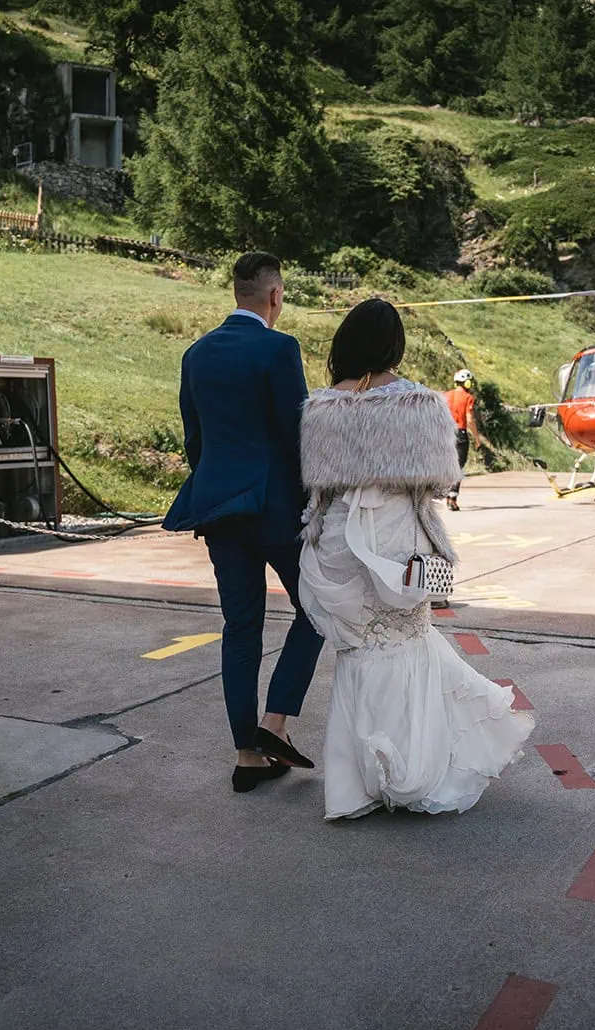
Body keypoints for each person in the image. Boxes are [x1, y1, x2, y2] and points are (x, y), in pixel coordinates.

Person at [298, 299, 535, 820]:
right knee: (406, 641)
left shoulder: (320, 407)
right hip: (397, 540)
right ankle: (412, 768)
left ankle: (360, 782)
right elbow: (443, 480)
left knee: (359, 650)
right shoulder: (417, 404)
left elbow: (316, 485)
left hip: (339, 543)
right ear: (394, 346)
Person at [162, 252, 325, 794]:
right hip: (275, 508)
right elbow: (298, 432)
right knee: (317, 609)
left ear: (236, 294)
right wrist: (314, 501)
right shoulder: (279, 348)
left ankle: (246, 755)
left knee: (241, 628)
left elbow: (194, 439)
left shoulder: (196, 353)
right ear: (276, 296)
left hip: (220, 508)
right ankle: (275, 723)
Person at [442, 369, 483, 511]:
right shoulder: (468, 398)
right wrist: (477, 437)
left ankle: (447, 494)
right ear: (467, 382)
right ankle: (452, 498)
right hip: (460, 433)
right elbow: (470, 419)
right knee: (458, 467)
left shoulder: (445, 396)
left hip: (446, 433)